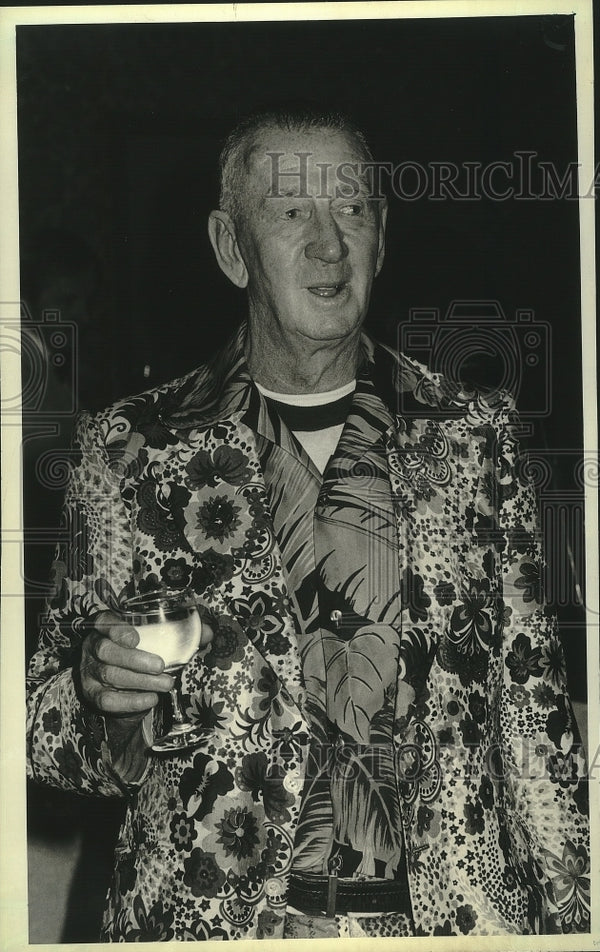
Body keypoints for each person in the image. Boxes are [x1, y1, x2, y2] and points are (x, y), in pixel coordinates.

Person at [26, 109, 590, 940]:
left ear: (382, 236)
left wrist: (576, 916)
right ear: (230, 248)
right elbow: (44, 730)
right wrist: (102, 697)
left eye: (353, 210)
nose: (330, 244)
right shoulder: (130, 449)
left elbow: (536, 720)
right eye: (292, 212)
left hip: (446, 927)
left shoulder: (474, 435)